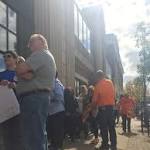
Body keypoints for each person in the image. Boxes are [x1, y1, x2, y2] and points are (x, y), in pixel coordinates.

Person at [16, 34, 56, 150]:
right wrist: (23, 69)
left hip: (33, 98)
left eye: (32, 42)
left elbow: (20, 70)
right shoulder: (44, 56)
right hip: (37, 97)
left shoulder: (40, 54)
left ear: (42, 42)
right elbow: (28, 76)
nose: (29, 46)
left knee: (32, 135)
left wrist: (18, 62)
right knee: (38, 134)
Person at [0, 51, 23, 150]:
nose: (6, 58)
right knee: (6, 136)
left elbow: (27, 87)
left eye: (8, 56)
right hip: (4, 111)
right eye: (4, 57)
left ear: (15, 58)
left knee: (18, 135)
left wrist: (15, 86)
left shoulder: (21, 73)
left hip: (19, 109)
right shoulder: (0, 74)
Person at [92, 70, 117, 150]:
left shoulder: (98, 85)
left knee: (103, 128)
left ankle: (105, 145)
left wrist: (93, 108)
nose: (96, 78)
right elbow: (114, 95)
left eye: (96, 77)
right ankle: (113, 145)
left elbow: (94, 100)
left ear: (98, 76)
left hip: (103, 109)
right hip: (111, 108)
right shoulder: (110, 82)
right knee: (111, 127)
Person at [47, 72, 65, 150]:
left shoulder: (56, 83)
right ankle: (55, 144)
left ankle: (57, 146)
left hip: (57, 110)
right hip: (55, 110)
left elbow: (60, 96)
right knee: (55, 129)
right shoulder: (56, 83)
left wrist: (50, 98)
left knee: (57, 129)